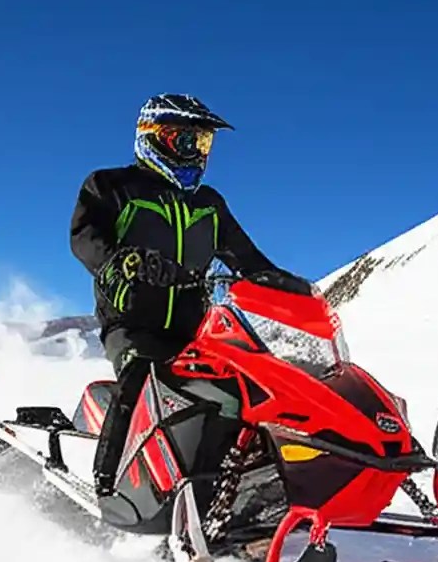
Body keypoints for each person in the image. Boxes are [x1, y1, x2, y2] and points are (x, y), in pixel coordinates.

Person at [69, 93, 306, 498]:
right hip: (132, 321)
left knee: (245, 394)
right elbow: (85, 238)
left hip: (196, 328)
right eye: (187, 141)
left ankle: (239, 497)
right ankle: (106, 491)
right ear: (154, 137)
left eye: (203, 143)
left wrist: (292, 288)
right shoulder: (112, 185)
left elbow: (247, 259)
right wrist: (123, 263)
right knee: (138, 379)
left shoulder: (209, 204)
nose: (197, 152)